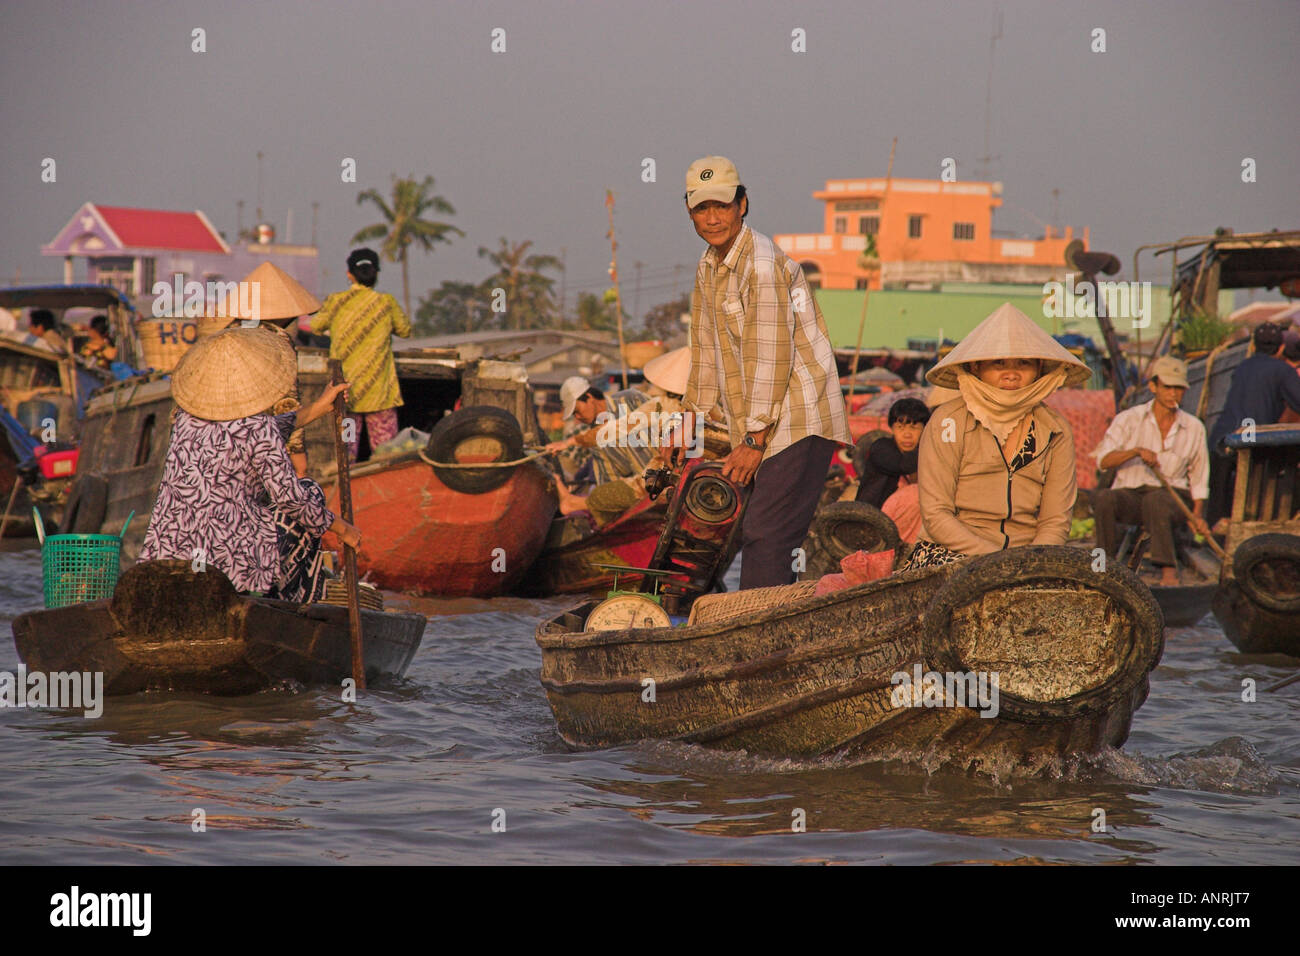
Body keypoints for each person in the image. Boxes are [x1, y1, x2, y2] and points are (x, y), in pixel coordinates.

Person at [677, 156, 851, 590]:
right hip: (763, 422)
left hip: (796, 418)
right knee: (751, 531)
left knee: (767, 535)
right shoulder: (708, 264)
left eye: (722, 206)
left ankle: (759, 642)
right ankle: (768, 631)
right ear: (689, 211)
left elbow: (770, 358)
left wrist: (754, 439)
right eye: (702, 209)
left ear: (743, 204)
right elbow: (705, 347)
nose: (712, 218)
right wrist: (686, 422)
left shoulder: (761, 264)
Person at [140, 325, 360, 601]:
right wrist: (344, 529)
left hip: (168, 551)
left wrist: (320, 407)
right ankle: (289, 605)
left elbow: (247, 435)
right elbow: (290, 499)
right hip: (228, 561)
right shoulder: (258, 427)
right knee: (309, 492)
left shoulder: (184, 420)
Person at [909, 303, 1088, 570]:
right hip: (952, 552)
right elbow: (937, 516)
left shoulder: (1055, 430)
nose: (1011, 373)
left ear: (1039, 369)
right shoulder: (948, 421)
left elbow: (1054, 521)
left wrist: (1031, 562)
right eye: (998, 363)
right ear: (977, 367)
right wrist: (997, 562)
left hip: (1026, 556)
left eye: (1024, 363)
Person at [1091, 356, 1210, 586]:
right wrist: (1134, 452)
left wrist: (1196, 516)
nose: (1173, 394)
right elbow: (1103, 461)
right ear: (1153, 387)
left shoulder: (1194, 427)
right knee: (1104, 498)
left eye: (1179, 388)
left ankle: (1168, 570)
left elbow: (1199, 477)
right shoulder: (1128, 419)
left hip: (1173, 498)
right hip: (1133, 496)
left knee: (1156, 501)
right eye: (1167, 387)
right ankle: (1102, 566)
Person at [310, 248, 411, 460]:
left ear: (349, 274)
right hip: (380, 393)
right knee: (386, 456)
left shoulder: (336, 301)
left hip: (346, 392)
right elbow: (405, 330)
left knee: (346, 455)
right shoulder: (386, 302)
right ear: (376, 273)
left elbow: (316, 326)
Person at [1206, 322, 1300, 527]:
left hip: (1220, 438)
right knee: (1255, 498)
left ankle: (1208, 541)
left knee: (1217, 501)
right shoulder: (1283, 371)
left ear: (1254, 344)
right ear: (1281, 348)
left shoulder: (1242, 367)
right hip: (1249, 444)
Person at [547, 376, 656, 524]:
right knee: (603, 495)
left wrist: (570, 442)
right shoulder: (596, 443)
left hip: (668, 474)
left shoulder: (630, 399)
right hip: (645, 494)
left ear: (589, 398)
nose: (578, 417)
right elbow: (608, 477)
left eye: (577, 411)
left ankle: (573, 503)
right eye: (574, 415)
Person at [855, 398, 930, 507]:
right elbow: (904, 465)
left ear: (924, 429)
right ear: (892, 429)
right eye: (900, 427)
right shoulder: (881, 448)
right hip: (873, 517)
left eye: (914, 428)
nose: (907, 435)